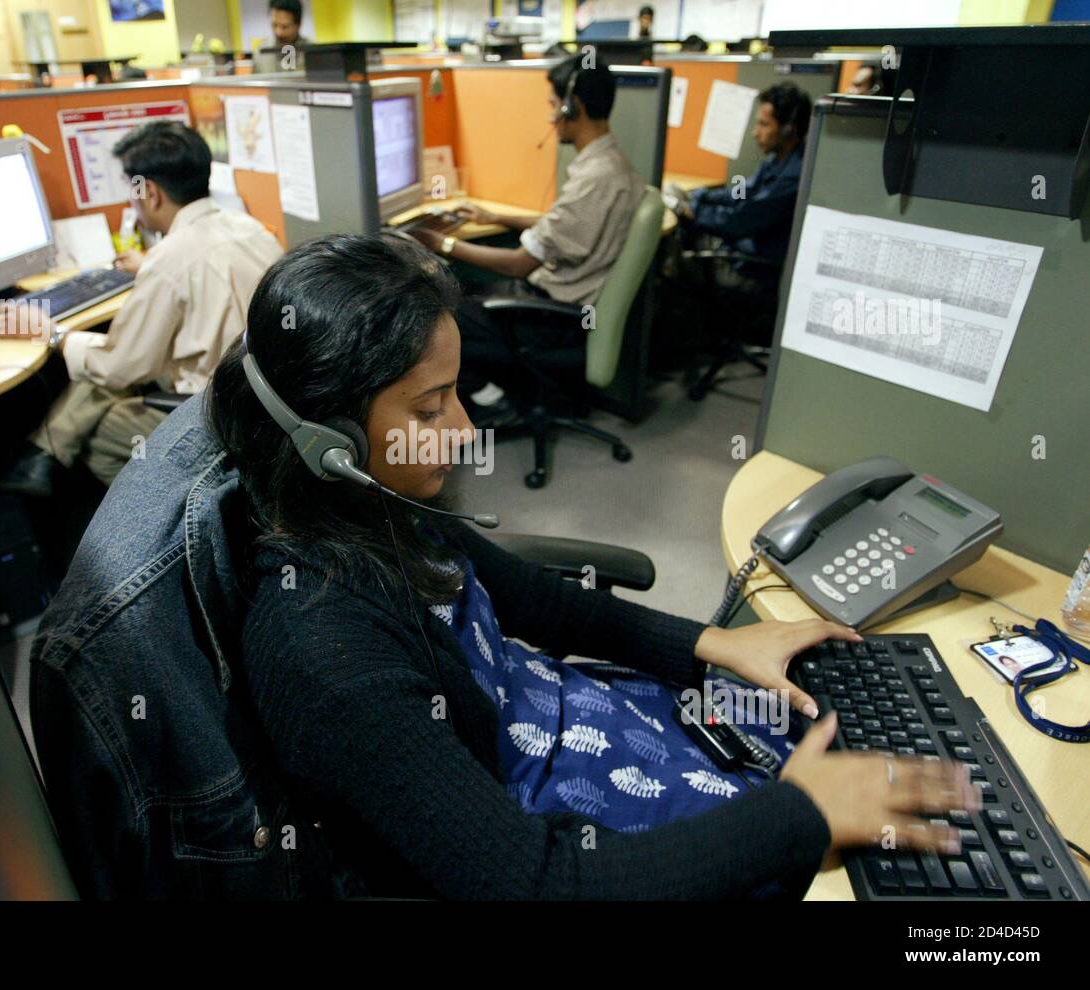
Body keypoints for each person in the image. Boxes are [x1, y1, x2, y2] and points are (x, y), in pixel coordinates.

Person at [204, 232, 974, 899]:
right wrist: (800, 815)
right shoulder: (326, 659)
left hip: (574, 719)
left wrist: (710, 646)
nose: (466, 430)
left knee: (833, 728)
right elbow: (534, 885)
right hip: (558, 836)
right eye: (431, 407)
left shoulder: (375, 507)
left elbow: (535, 601)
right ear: (329, 440)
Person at [0, 121, 282, 496]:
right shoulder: (250, 229)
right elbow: (209, 271)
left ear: (152, 193)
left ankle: (186, 518)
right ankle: (40, 455)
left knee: (100, 429)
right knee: (113, 366)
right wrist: (154, 268)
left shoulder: (170, 259)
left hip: (218, 418)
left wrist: (51, 333)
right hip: (271, 403)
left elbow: (120, 367)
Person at [407, 52, 645, 418]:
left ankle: (494, 399)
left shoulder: (594, 180)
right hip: (569, 305)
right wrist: (496, 215)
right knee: (465, 286)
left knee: (433, 311)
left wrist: (443, 243)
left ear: (572, 107)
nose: (551, 116)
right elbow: (567, 223)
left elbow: (520, 264)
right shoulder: (612, 165)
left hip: (549, 320)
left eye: (554, 105)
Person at [675, 82, 811, 285]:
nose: (755, 133)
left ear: (788, 130)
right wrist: (701, 195)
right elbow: (740, 193)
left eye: (764, 125)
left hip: (751, 268)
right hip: (738, 246)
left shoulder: (792, 178)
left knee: (678, 249)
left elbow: (739, 222)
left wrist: (693, 210)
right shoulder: (775, 161)